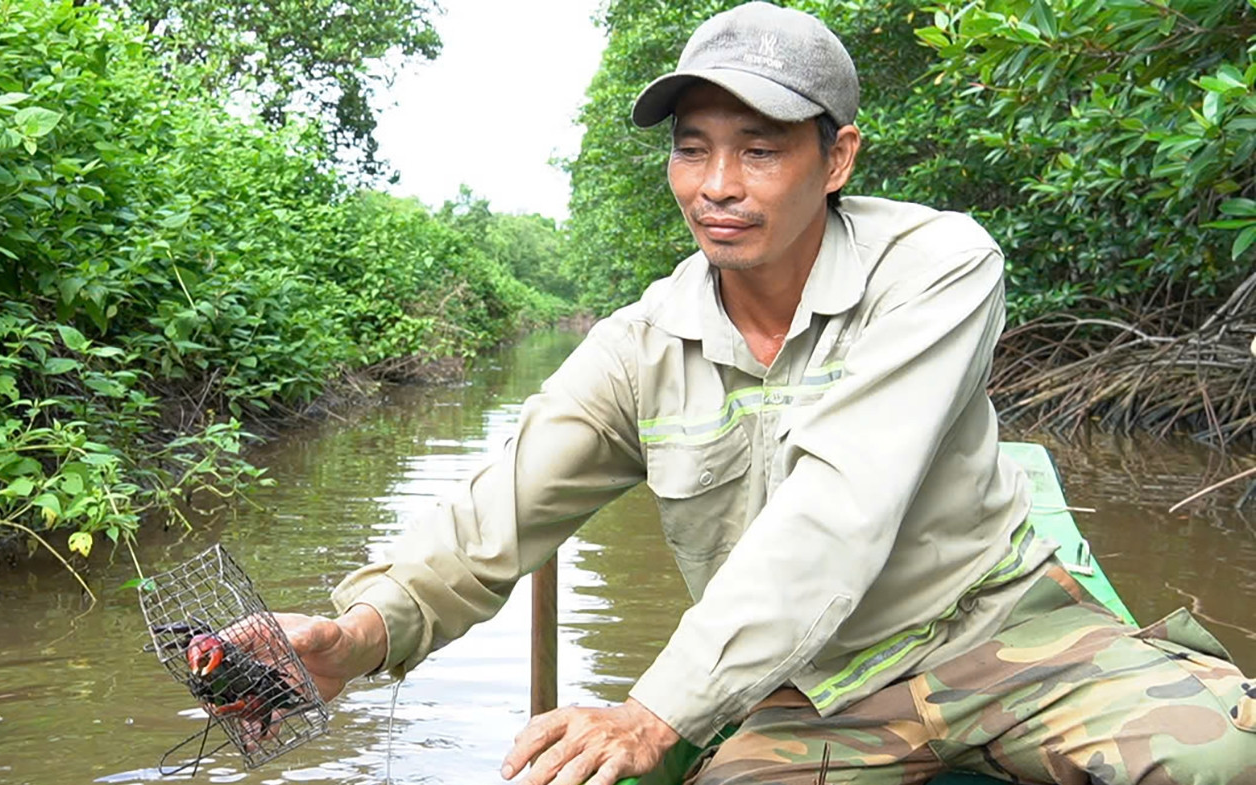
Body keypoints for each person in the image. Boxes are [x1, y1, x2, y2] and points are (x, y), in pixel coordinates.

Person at [260, 3, 1256, 783]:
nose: (717, 184)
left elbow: (839, 508)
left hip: (1003, 629)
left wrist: (655, 711)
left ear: (839, 157)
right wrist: (357, 637)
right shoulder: (642, 345)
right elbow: (498, 513)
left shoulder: (938, 265)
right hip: (818, 685)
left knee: (1225, 758)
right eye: (692, 146)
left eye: (762, 149)